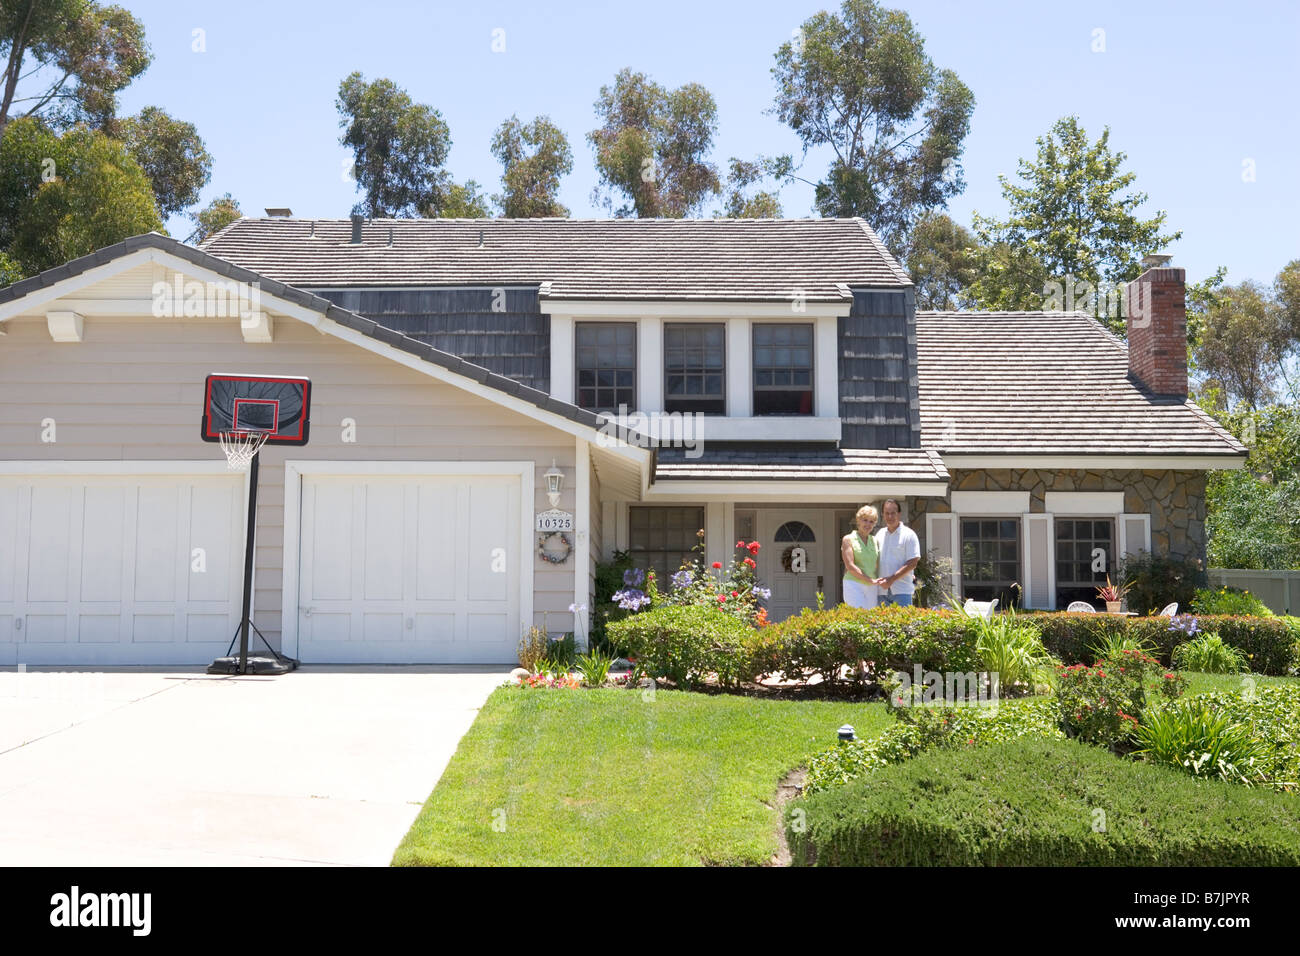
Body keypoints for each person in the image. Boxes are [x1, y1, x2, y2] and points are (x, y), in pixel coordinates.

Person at [874, 498, 921, 606]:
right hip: (881, 592)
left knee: (903, 623)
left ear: (899, 514)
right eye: (887, 513)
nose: (890, 516)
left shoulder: (909, 535)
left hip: (902, 592)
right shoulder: (879, 534)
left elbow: (912, 563)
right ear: (883, 515)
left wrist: (891, 580)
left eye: (893, 513)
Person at [841, 505, 880, 609]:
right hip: (854, 584)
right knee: (858, 618)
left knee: (871, 619)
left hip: (872, 585)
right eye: (865, 520)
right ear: (858, 521)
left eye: (871, 521)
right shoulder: (848, 539)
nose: (868, 524)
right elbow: (850, 566)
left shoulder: (875, 541)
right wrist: (868, 580)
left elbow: (877, 565)